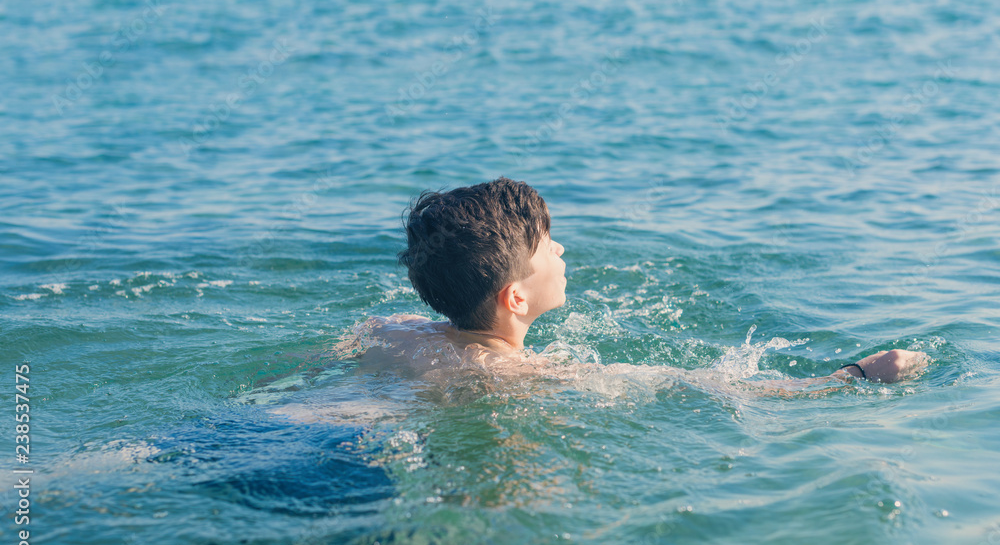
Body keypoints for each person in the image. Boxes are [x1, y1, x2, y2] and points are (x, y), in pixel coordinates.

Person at [345, 177, 929, 389]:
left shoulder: (391, 331)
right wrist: (851, 375)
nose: (561, 248)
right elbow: (709, 386)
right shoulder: (527, 375)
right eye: (547, 245)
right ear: (515, 297)